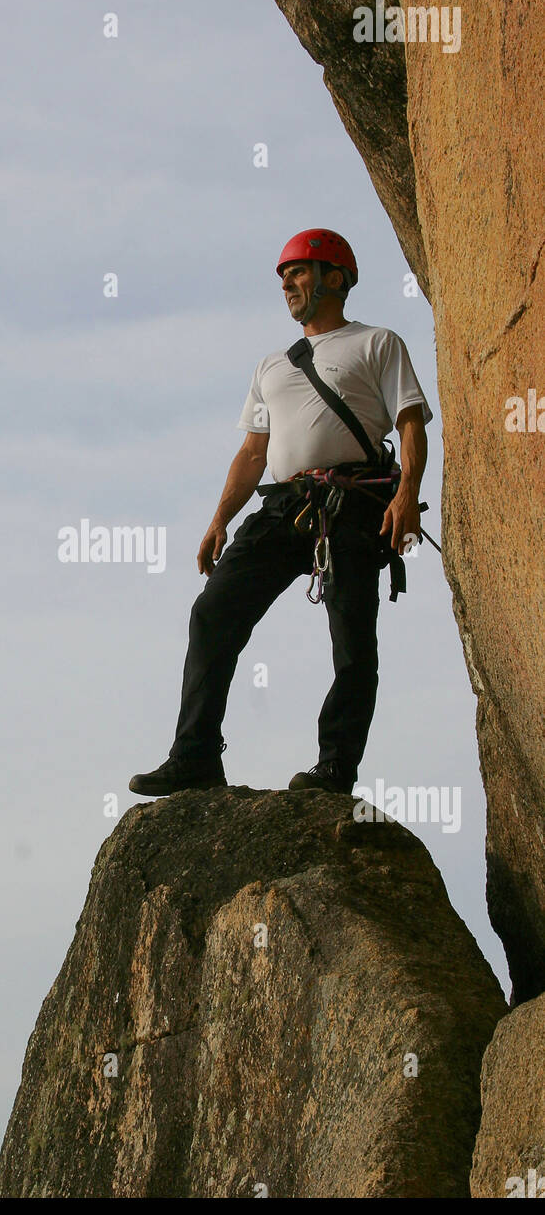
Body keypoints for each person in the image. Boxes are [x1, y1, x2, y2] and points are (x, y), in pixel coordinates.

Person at [129, 228, 433, 798]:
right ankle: (194, 756)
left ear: (334, 278)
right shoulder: (272, 365)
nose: (288, 284)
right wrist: (220, 518)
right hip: (284, 505)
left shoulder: (377, 343)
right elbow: (252, 452)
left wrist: (405, 493)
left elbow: (411, 421)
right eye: (285, 277)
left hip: (353, 503)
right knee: (213, 613)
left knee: (352, 641)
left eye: (298, 272)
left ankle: (334, 769)